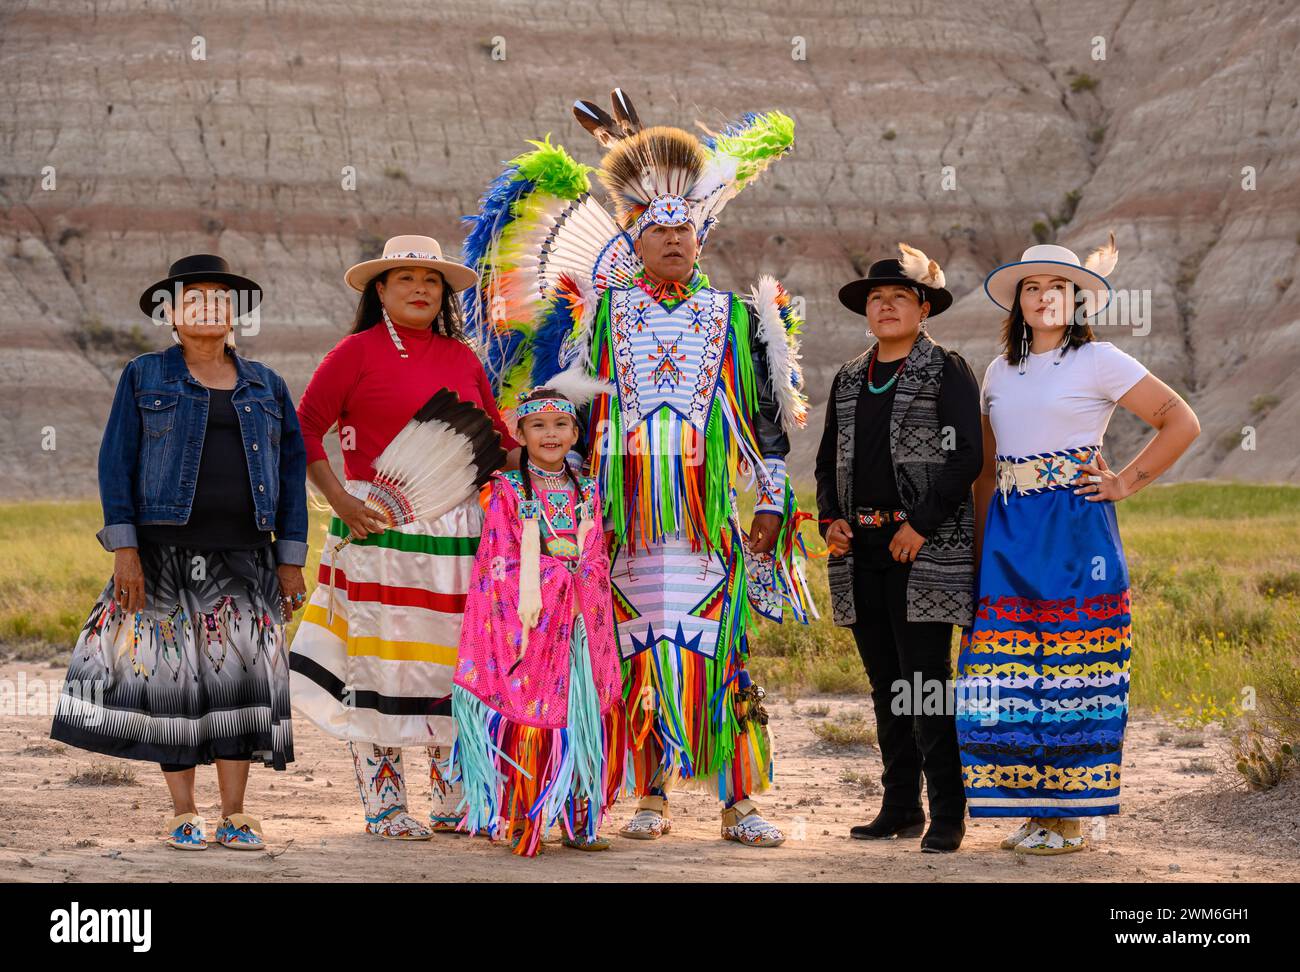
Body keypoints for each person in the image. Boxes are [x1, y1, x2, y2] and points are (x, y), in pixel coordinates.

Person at [458, 92, 814, 847]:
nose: (676, 238)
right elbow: (571, 419)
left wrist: (771, 502)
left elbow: (767, 423)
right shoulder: (604, 317)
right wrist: (566, 505)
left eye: (687, 228)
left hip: (704, 521)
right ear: (638, 241)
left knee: (722, 655)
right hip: (620, 525)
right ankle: (650, 795)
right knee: (632, 657)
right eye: (660, 230)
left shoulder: (736, 316)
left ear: (701, 237)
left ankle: (738, 801)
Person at [50, 253, 308, 851]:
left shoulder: (267, 384)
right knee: (175, 685)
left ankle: (237, 813)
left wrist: (289, 557)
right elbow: (115, 465)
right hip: (164, 557)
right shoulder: (143, 376)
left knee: (242, 685)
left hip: (247, 558)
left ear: (236, 313)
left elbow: (291, 473)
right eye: (193, 298)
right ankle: (184, 812)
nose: (208, 308)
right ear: (171, 312)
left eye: (220, 298)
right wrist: (125, 551)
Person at [955, 237, 1200, 854]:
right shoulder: (998, 371)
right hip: (1010, 530)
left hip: (1073, 527)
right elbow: (987, 469)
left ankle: (1069, 816)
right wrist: (984, 551)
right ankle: (1036, 812)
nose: (1043, 298)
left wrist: (1124, 483)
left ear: (1076, 299)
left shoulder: (1100, 360)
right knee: (1008, 671)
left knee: (1071, 666)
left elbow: (1181, 420)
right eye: (1032, 288)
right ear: (1018, 302)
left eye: (1057, 287)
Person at [290, 235, 519, 840]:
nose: (421, 289)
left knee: (448, 660)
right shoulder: (355, 352)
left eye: (432, 280)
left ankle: (451, 797)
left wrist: (563, 439)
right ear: (381, 290)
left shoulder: (463, 359)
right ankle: (385, 803)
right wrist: (339, 499)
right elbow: (306, 429)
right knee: (380, 660)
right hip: (378, 524)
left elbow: (496, 440)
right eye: (406, 278)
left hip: (456, 529)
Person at [816, 244, 982, 853]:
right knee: (887, 685)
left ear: (922, 308)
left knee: (926, 684)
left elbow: (966, 455)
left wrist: (921, 524)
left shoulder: (946, 368)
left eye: (899, 298)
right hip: (860, 548)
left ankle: (947, 812)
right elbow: (828, 458)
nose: (886, 307)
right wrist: (830, 517)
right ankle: (899, 806)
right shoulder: (850, 375)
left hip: (923, 548)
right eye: (876, 300)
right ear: (866, 312)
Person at [452, 388, 624, 856]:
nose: (551, 434)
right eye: (538, 426)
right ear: (520, 433)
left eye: (560, 425)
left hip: (580, 624)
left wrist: (576, 576)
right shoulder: (505, 490)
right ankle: (524, 815)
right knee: (532, 715)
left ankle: (579, 814)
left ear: (575, 433)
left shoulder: (588, 489)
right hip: (530, 626)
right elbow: (497, 560)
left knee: (581, 713)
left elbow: (596, 555)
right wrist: (553, 577)